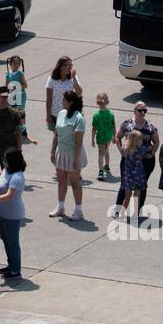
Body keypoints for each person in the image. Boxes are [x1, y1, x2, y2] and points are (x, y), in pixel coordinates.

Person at [0, 147, 27, 280]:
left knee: (13, 242)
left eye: (5, 159)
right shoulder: (6, 171)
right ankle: (11, 265)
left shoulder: (17, 177)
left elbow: (9, 196)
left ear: (12, 161)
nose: (3, 161)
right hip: (3, 212)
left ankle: (16, 271)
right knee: (5, 238)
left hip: (12, 214)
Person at [114, 102, 160, 213]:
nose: (142, 113)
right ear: (134, 110)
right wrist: (122, 151)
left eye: (145, 111)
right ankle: (118, 210)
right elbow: (117, 137)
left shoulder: (150, 126)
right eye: (140, 110)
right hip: (128, 161)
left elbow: (156, 142)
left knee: (142, 187)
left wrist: (152, 153)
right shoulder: (127, 124)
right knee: (124, 186)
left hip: (146, 162)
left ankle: (138, 211)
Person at [49, 90, 87, 220]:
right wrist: (52, 151)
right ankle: (60, 207)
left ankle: (78, 210)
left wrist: (76, 159)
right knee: (61, 181)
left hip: (73, 154)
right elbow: (56, 134)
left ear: (70, 102)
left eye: (64, 100)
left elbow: (79, 141)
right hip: (61, 152)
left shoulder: (79, 118)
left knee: (75, 182)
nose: (62, 102)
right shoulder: (61, 113)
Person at [45, 56, 83, 133]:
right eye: (66, 65)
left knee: (68, 136)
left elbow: (79, 92)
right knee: (57, 136)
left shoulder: (73, 78)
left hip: (69, 112)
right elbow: (49, 98)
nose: (69, 67)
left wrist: (74, 78)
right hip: (56, 113)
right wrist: (48, 115)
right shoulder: (52, 79)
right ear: (60, 67)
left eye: (71, 65)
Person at [6, 56, 37, 143]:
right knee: (12, 114)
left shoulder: (20, 74)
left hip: (20, 96)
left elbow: (25, 85)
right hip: (12, 96)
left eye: (18, 64)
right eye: (14, 63)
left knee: (20, 114)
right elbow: (6, 85)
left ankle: (24, 133)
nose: (16, 65)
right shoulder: (8, 74)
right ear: (10, 64)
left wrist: (17, 86)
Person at [118, 130, 146, 218]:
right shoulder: (140, 150)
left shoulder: (126, 149)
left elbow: (122, 147)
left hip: (128, 176)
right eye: (141, 140)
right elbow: (149, 149)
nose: (142, 142)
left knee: (127, 197)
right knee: (137, 196)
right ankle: (135, 214)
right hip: (138, 175)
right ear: (136, 141)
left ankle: (121, 213)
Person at [91, 93, 116, 180]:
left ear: (97, 103)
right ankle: (107, 166)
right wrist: (114, 136)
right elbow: (113, 126)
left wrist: (92, 139)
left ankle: (101, 171)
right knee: (106, 150)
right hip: (109, 136)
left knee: (101, 154)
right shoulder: (111, 114)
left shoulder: (96, 116)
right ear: (107, 102)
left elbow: (94, 128)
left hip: (100, 137)